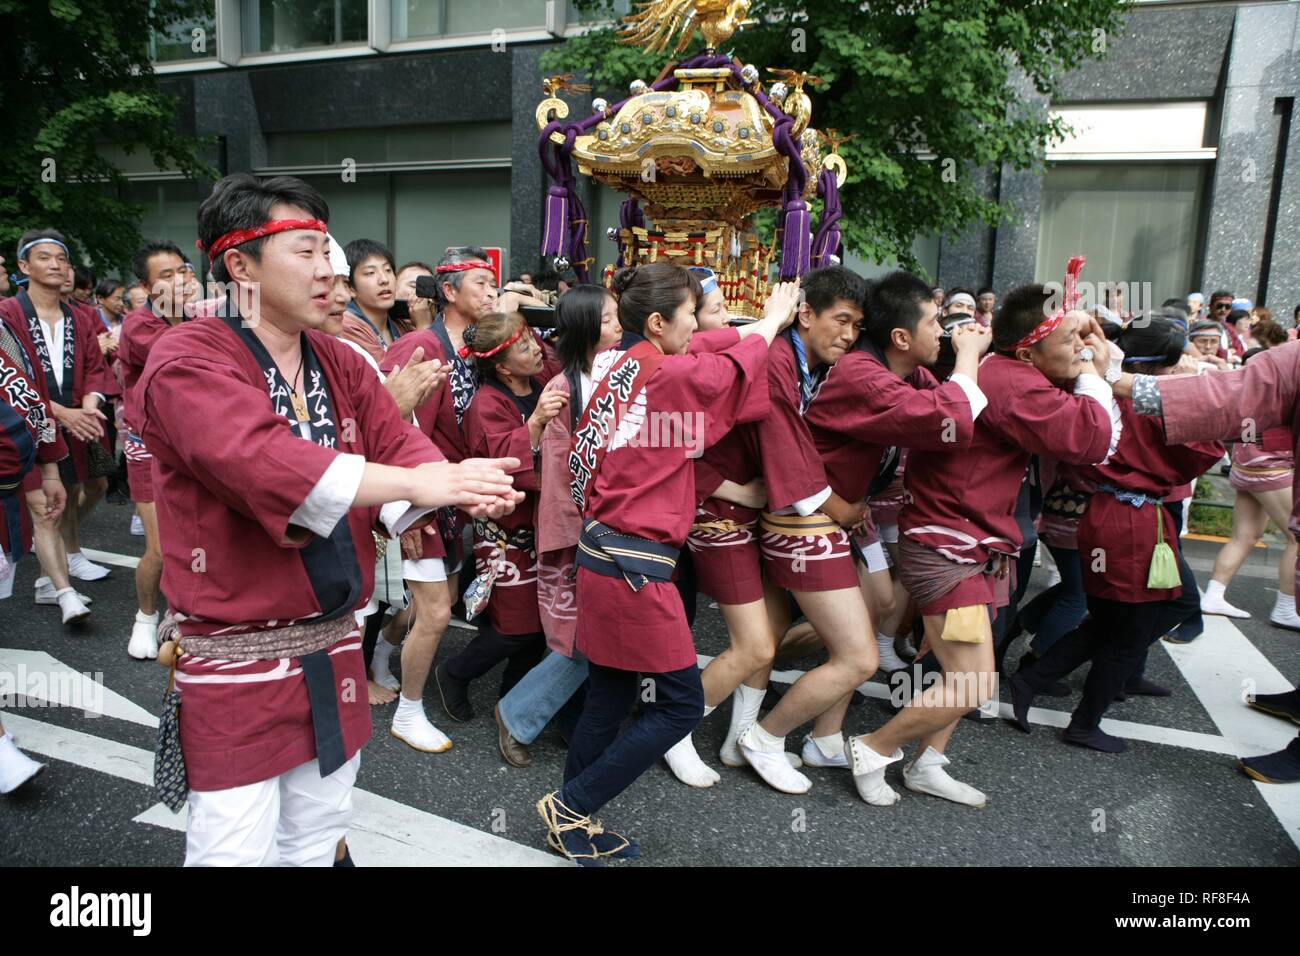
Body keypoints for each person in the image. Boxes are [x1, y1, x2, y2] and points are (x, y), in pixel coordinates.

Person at [140, 172, 523, 865]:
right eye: (307, 252)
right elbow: (265, 464)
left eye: (329, 251)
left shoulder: (339, 358)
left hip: (334, 642)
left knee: (319, 835)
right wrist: (421, 477)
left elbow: (397, 441)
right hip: (237, 659)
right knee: (232, 851)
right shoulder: (187, 357)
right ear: (239, 263)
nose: (330, 271)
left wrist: (460, 489)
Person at [537, 262, 795, 864]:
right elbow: (722, 369)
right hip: (634, 564)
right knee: (677, 704)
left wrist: (747, 327)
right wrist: (772, 324)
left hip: (603, 552)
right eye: (692, 312)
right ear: (657, 321)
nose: (702, 323)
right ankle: (571, 806)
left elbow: (706, 345)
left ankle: (574, 822)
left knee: (609, 692)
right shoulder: (669, 380)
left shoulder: (619, 362)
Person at [845, 277, 1118, 806]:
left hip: (970, 544)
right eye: (1071, 340)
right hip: (953, 549)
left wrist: (1082, 355)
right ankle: (873, 747)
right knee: (973, 684)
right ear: (1028, 347)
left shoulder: (1011, 372)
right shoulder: (1014, 383)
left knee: (962, 672)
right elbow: (1092, 439)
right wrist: (1094, 372)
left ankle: (928, 763)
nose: (1083, 348)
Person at [805, 271, 993, 804]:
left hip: (849, 512)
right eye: (935, 321)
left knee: (869, 617)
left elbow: (960, 406)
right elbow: (950, 419)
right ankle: (765, 735)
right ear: (902, 338)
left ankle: (823, 738)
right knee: (798, 645)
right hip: (806, 513)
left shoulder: (901, 371)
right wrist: (968, 358)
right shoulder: (863, 375)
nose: (945, 331)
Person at [1011, 316, 1223, 752]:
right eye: (1175, 359)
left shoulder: (1100, 389)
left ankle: (1033, 677)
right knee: (1126, 632)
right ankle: (1083, 721)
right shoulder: (1153, 401)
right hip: (1133, 522)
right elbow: (1203, 453)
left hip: (1112, 514)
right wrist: (1189, 393)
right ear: (1157, 366)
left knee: (1125, 617)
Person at [494, 284, 622, 767]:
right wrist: (588, 529)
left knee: (592, 634)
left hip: (607, 525)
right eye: (608, 320)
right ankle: (520, 713)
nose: (617, 328)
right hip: (582, 530)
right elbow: (559, 472)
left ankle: (563, 720)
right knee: (584, 636)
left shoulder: (617, 374)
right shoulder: (564, 388)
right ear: (587, 329)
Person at [434, 312, 566, 727]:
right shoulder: (486, 403)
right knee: (514, 626)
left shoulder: (543, 377)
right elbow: (498, 464)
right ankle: (454, 672)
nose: (536, 349)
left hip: (543, 521)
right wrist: (536, 422)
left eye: (531, 339)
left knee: (539, 625)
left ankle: (513, 698)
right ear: (503, 367)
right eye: (525, 347)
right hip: (507, 530)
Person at [3, 230, 118, 622]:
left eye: (61, 259)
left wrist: (87, 408)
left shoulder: (81, 317)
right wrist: (60, 413)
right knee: (44, 506)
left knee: (71, 493)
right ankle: (59, 583)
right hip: (21, 425)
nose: (55, 265)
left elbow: (95, 368)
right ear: (24, 266)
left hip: (74, 422)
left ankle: (55, 572)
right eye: (45, 258)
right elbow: (11, 380)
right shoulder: (8, 315)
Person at [116, 240, 193, 659]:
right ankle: (145, 617)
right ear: (146, 287)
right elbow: (185, 353)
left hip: (192, 446)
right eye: (167, 275)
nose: (180, 280)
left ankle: (183, 617)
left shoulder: (199, 317)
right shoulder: (139, 326)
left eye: (183, 270)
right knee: (160, 549)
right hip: (149, 445)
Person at [1199, 319, 1300, 629]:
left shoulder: (1247, 390)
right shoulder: (1278, 391)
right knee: (1296, 538)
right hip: (1272, 467)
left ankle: (1214, 595)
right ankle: (1286, 607)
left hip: (1247, 466)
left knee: (1244, 537)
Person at [340, 239, 407, 361]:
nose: (384, 280)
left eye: (388, 270)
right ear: (350, 287)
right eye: (370, 273)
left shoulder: (400, 324)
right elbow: (386, 374)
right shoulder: (347, 326)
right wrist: (423, 326)